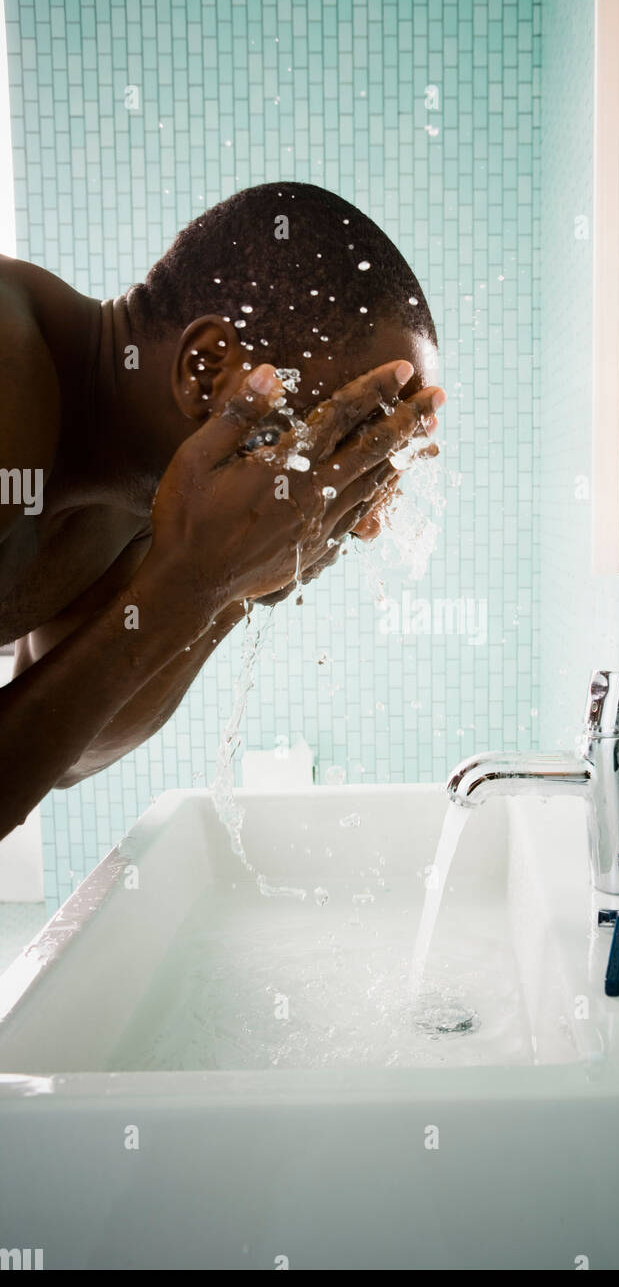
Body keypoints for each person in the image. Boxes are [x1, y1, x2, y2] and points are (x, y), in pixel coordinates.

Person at [0, 182, 445, 838]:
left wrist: (238, 583)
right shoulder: (10, 377)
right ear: (207, 370)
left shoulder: (153, 504)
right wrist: (195, 579)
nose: (338, 473)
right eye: (343, 434)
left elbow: (60, 753)